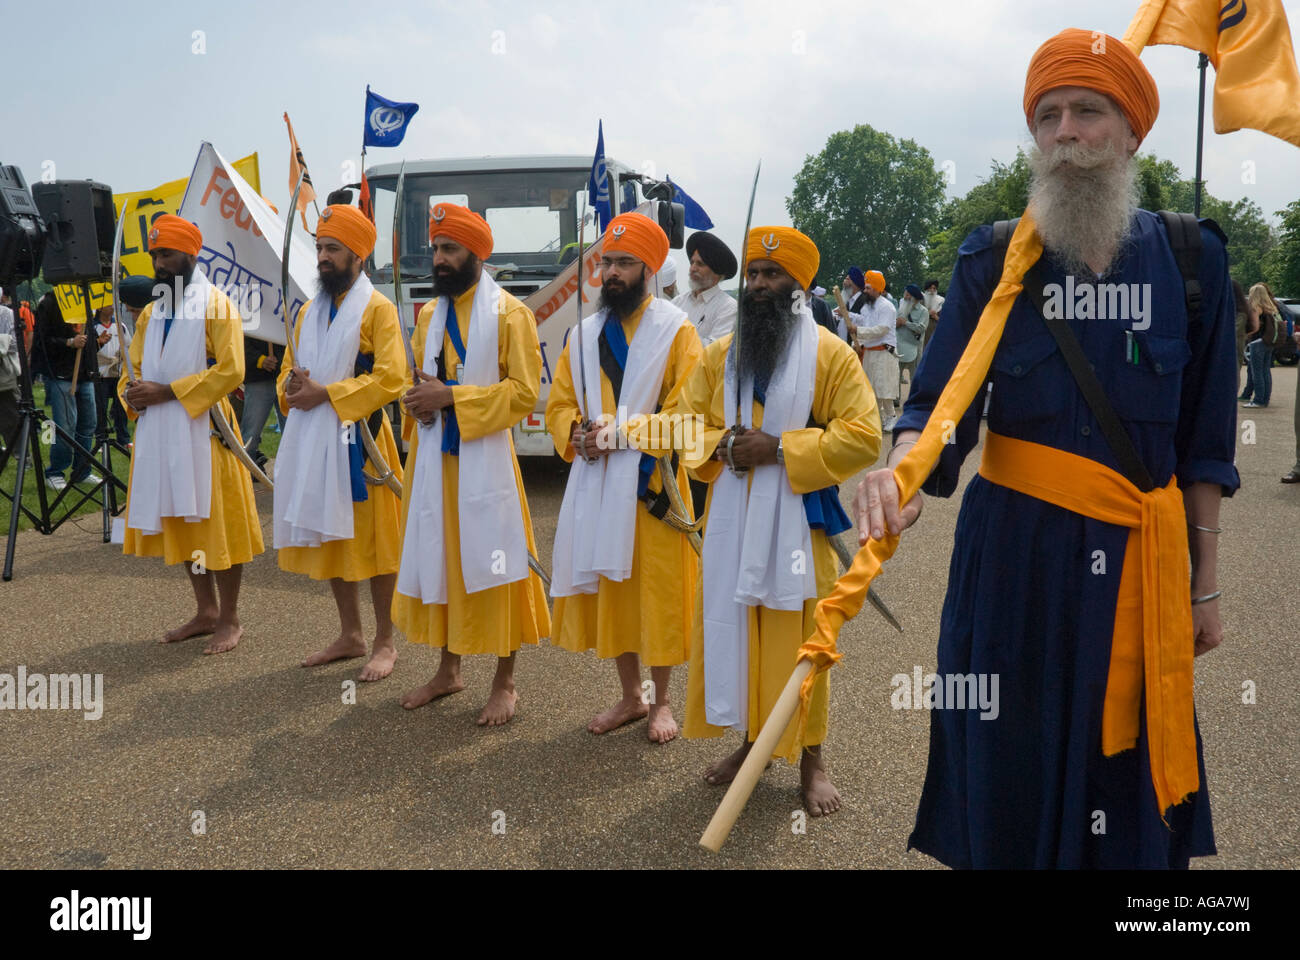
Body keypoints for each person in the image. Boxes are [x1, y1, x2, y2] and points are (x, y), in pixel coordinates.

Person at [855, 28, 1236, 868]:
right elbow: (936, 406)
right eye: (1049, 115)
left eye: (1089, 112)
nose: (1067, 132)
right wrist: (902, 474)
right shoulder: (993, 260)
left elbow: (1207, 448)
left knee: (1124, 773)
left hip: (1139, 564)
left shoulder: (1192, 259)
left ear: (1132, 132)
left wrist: (1205, 588)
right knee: (1007, 762)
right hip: (1012, 567)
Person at [675, 226, 881, 815]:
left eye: (773, 275)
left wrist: (783, 449)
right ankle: (749, 744)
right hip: (732, 523)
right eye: (755, 275)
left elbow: (864, 436)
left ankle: (812, 760)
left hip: (799, 528)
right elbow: (685, 424)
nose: (760, 286)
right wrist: (723, 446)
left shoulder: (831, 354)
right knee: (740, 634)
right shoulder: (719, 353)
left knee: (803, 643)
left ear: (800, 284)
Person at [546, 212, 703, 744]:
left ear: (648, 269)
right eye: (605, 261)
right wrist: (575, 431)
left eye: (623, 263)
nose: (611, 272)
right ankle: (631, 696)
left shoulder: (677, 332)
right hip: (595, 481)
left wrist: (621, 434)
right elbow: (560, 402)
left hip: (652, 485)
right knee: (614, 590)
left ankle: (662, 702)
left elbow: (691, 416)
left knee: (656, 594)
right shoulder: (583, 334)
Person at [393, 202, 551, 726]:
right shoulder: (427, 316)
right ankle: (448, 669)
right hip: (435, 463)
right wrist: (415, 398)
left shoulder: (511, 314)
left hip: (486, 466)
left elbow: (525, 394)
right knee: (443, 561)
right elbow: (415, 382)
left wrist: (452, 397)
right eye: (435, 249)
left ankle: (505, 682)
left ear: (477, 255)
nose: (438, 259)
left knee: (498, 564)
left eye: (449, 250)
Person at [119, 214, 265, 655]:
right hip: (162, 431)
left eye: (167, 254)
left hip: (208, 430)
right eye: (155, 256)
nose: (159, 264)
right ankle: (205, 611)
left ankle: (231, 617)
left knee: (218, 526)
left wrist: (168, 392)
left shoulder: (218, 303)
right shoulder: (149, 312)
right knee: (183, 521)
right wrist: (135, 394)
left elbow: (232, 369)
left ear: (190, 254)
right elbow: (138, 368)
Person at [274, 204, 408, 683]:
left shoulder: (378, 309)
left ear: (359, 256)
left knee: (377, 545)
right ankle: (349, 634)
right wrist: (292, 390)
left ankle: (384, 641)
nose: (323, 258)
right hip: (313, 438)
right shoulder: (308, 311)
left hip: (363, 442)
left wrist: (328, 393)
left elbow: (394, 377)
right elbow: (291, 372)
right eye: (320, 249)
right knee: (332, 537)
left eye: (333, 249)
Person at [33, 292, 99, 490]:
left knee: (88, 424)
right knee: (65, 426)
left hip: (84, 375)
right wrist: (69, 342)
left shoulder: (87, 302)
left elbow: (89, 340)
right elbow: (42, 342)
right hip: (60, 375)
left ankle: (82, 470)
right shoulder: (49, 303)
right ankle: (55, 471)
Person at [854, 269, 900, 429]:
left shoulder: (887, 307)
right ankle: (877, 420)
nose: (865, 291)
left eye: (868, 288)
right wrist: (856, 342)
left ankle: (892, 417)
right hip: (869, 353)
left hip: (884, 353)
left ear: (878, 289)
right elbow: (865, 324)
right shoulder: (866, 307)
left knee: (884, 388)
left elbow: (882, 329)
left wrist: (857, 331)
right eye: (865, 288)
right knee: (870, 389)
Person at [674, 231, 738, 346]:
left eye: (700, 264)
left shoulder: (729, 308)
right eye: (692, 262)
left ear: (717, 273)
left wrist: (678, 336)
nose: (692, 268)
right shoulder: (678, 302)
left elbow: (714, 350)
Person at [241, 336, 284, 475]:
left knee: (292, 432)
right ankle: (246, 475)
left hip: (286, 376)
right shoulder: (243, 314)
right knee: (250, 434)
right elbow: (239, 341)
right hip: (257, 379)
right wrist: (260, 360)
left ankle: (292, 475)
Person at [92, 304, 131, 445]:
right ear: (100, 308)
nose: (112, 307)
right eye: (108, 305)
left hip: (118, 372)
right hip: (101, 373)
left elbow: (128, 346)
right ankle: (100, 437)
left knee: (121, 406)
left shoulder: (120, 326)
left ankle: (123, 437)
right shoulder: (93, 327)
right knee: (100, 406)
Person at [1242, 283, 1278, 408]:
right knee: (1265, 371)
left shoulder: (1256, 307)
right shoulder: (1271, 307)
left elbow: (1255, 327)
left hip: (1258, 343)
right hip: (1270, 342)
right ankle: (1265, 399)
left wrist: (1245, 335)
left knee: (1256, 371)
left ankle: (1258, 400)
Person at [895, 283, 930, 386]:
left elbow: (921, 328)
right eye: (905, 294)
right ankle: (896, 400)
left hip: (914, 348)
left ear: (914, 297)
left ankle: (913, 399)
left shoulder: (923, 311)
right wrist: (897, 323)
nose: (905, 297)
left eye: (907, 295)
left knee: (914, 378)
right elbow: (894, 324)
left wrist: (905, 323)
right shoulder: (901, 309)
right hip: (899, 347)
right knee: (896, 376)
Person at [0, 288, 20, 447]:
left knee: (10, 416)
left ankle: (21, 455)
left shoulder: (6, 314)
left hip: (4, 374)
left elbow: (14, 344)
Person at [921, 279, 944, 353]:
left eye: (934, 288)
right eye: (930, 288)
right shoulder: (921, 299)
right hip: (922, 328)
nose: (932, 290)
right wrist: (927, 313)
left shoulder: (941, 301)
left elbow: (944, 320)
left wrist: (935, 316)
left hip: (934, 328)